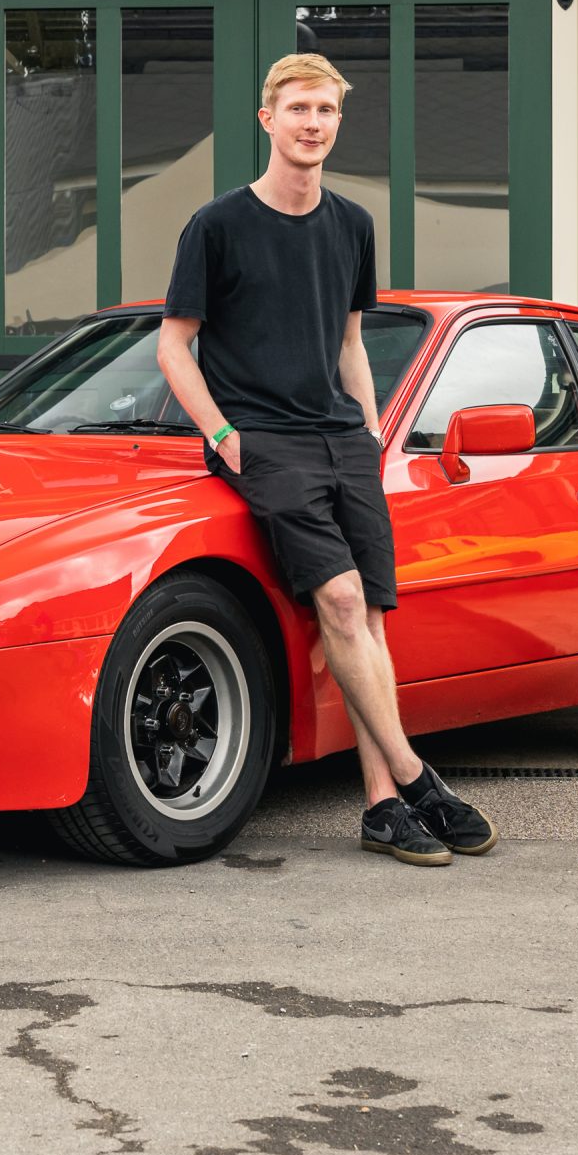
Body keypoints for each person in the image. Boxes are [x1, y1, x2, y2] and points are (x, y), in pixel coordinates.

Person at [157, 53, 495, 868]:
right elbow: (174, 345)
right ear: (266, 118)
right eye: (300, 108)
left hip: (344, 441)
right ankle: (420, 779)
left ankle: (383, 806)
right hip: (264, 442)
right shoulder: (217, 225)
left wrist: (372, 429)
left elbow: (348, 341)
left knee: (372, 617)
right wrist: (224, 435)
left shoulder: (352, 225)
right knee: (340, 602)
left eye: (328, 111)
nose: (314, 124)